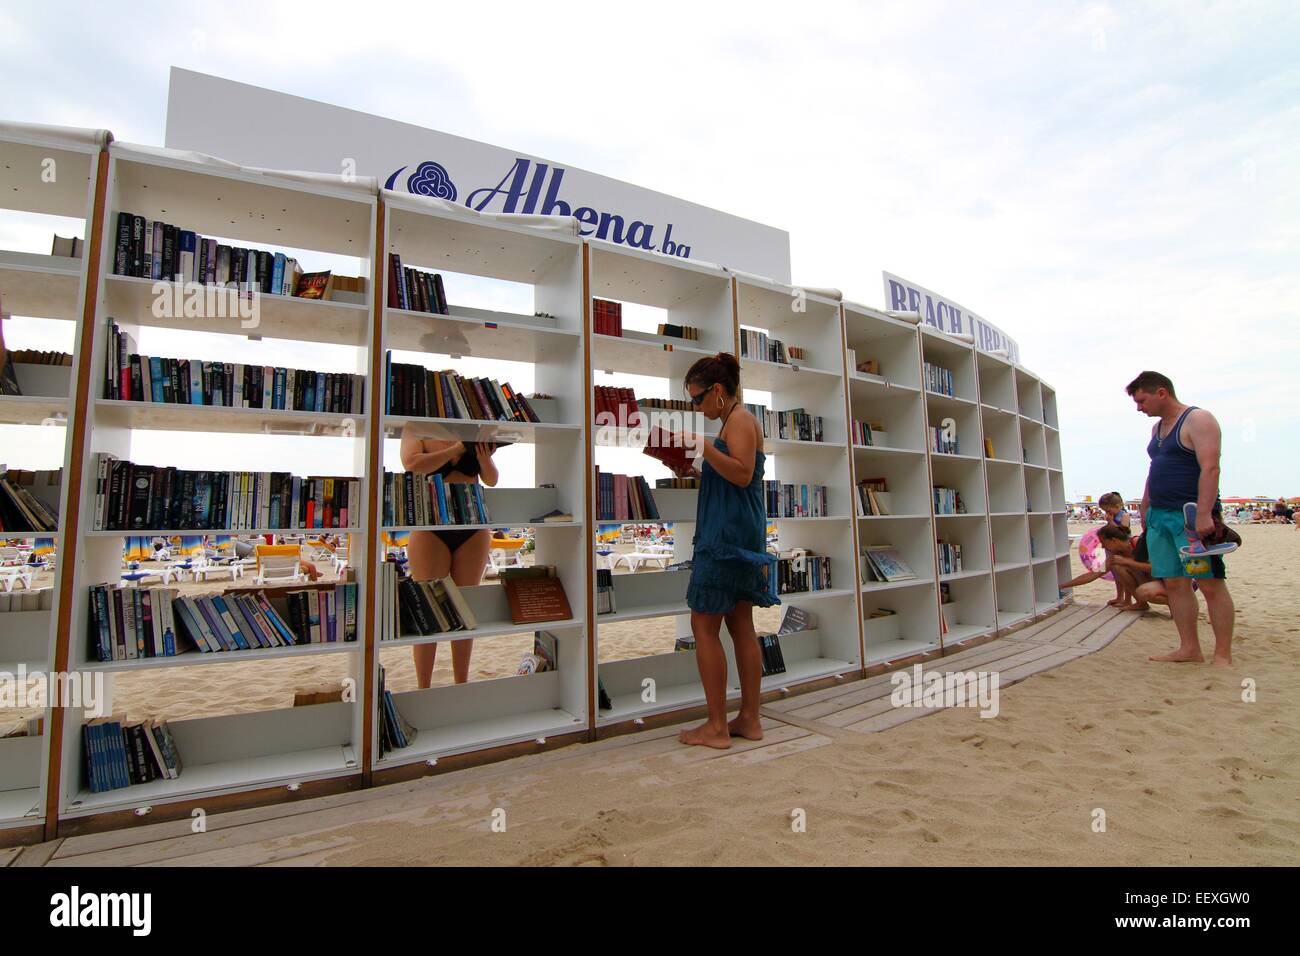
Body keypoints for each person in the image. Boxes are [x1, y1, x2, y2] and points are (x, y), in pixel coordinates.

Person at [672, 352, 777, 749]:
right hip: (741, 533)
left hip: (726, 537)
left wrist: (701, 447)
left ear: (718, 391)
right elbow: (730, 473)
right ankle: (749, 719)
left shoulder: (741, 421)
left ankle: (717, 726)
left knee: (704, 627)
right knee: (740, 625)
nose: (697, 408)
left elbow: (742, 472)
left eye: (698, 399)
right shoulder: (736, 422)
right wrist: (697, 467)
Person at [1127, 371, 1235, 665]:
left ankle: (1222, 654)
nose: (1139, 408)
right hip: (1159, 517)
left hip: (1189, 518)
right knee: (1175, 583)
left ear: (1161, 393)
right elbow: (1155, 469)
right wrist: (1145, 505)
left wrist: (1203, 513)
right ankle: (1189, 648)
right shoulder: (1157, 430)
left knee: (1210, 582)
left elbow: (1210, 467)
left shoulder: (1199, 419)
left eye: (1141, 400)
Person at [400, 434, 499, 687]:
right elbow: (411, 465)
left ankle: (461, 685)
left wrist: (484, 458)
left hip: (472, 523)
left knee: (465, 608)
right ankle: (424, 688)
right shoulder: (417, 426)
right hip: (431, 524)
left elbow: (491, 479)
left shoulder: (471, 427)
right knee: (428, 608)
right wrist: (455, 449)